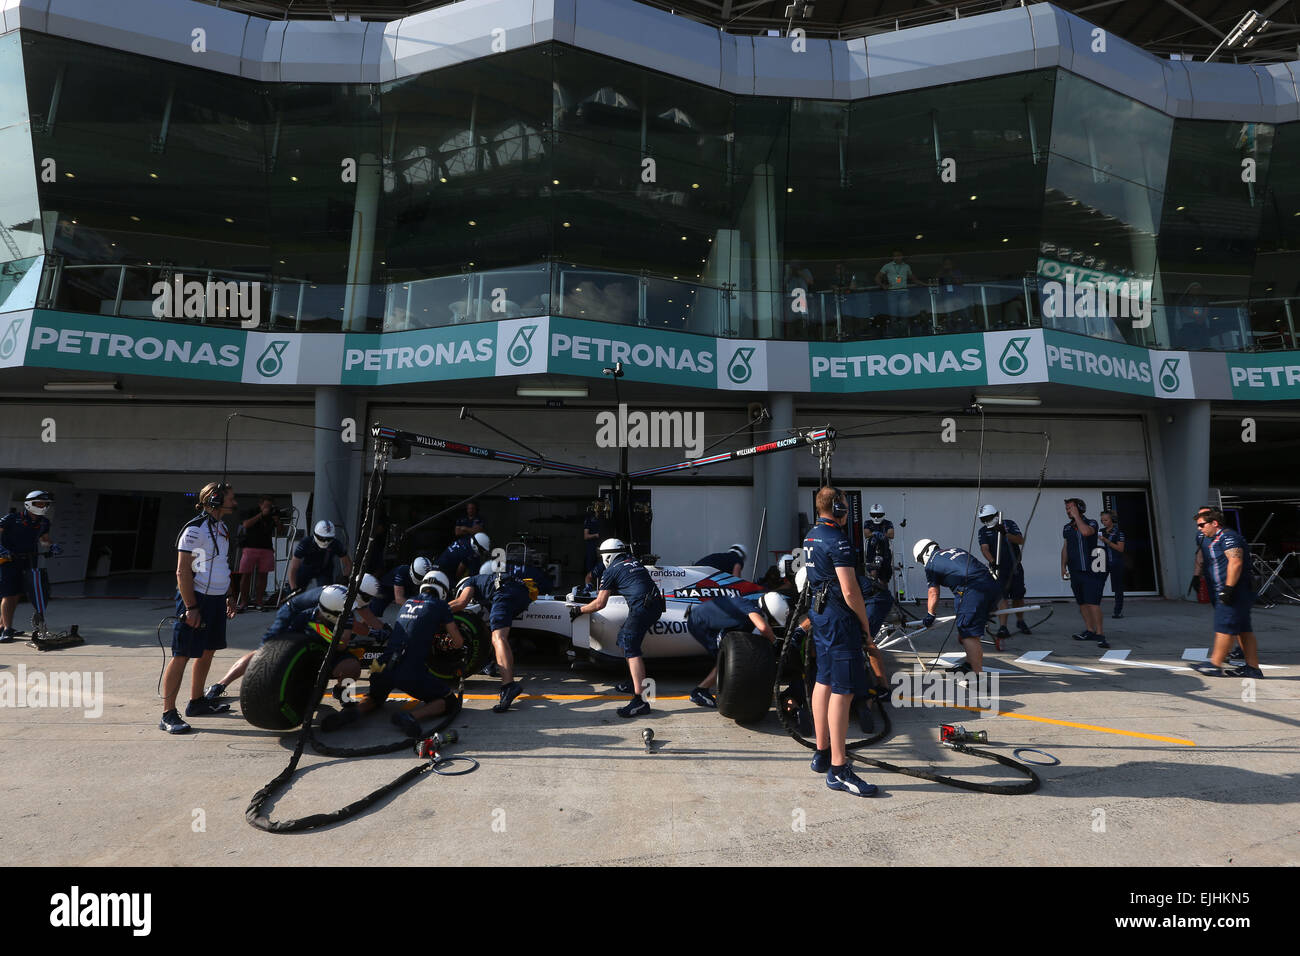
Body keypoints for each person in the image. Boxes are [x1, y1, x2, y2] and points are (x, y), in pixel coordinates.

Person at [323, 572, 465, 738]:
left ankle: (354, 712)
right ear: (442, 590)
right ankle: (411, 717)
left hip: (382, 665)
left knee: (375, 697)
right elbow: (458, 641)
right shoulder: (441, 606)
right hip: (409, 671)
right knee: (449, 702)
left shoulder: (408, 602)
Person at [803, 487, 879, 797]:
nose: (847, 513)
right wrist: (865, 626)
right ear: (837, 509)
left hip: (820, 617)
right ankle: (839, 768)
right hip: (838, 620)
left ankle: (821, 753)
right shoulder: (839, 540)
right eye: (845, 508)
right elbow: (851, 591)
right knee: (843, 692)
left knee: (823, 681)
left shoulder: (811, 535)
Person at [203, 576, 385, 702]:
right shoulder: (334, 601)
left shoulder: (344, 597)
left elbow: (356, 621)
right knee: (265, 653)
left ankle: (342, 692)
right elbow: (350, 624)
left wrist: (377, 630)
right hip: (293, 616)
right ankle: (221, 684)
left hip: (316, 626)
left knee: (347, 661)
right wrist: (371, 632)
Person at [160, 482, 239, 734]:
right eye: (230, 497)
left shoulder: (222, 527)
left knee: (208, 651)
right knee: (182, 654)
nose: (235, 501)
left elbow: (221, 564)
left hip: (216, 599)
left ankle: (196, 702)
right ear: (215, 500)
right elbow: (182, 571)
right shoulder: (195, 530)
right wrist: (191, 606)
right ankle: (168, 713)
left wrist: (228, 594)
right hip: (196, 600)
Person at [571, 538, 666, 718]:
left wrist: (579, 610)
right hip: (654, 605)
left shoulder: (612, 570)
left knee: (630, 645)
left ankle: (641, 701)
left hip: (642, 607)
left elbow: (600, 603)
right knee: (624, 637)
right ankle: (634, 682)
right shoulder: (634, 561)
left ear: (608, 556)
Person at [448, 567, 533, 712]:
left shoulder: (470, 581)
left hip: (504, 592)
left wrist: (437, 610)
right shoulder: (487, 582)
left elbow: (461, 602)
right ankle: (498, 668)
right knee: (499, 636)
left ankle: (508, 685)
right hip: (522, 593)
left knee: (498, 637)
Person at [1191, 510, 1263, 678]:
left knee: (1225, 627)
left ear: (1214, 523)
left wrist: (1228, 589)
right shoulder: (1212, 539)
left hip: (1234, 591)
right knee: (1243, 630)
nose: (1200, 529)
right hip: (1234, 591)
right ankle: (1253, 668)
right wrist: (1197, 575)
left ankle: (1215, 665)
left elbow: (1235, 562)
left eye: (1202, 525)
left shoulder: (1228, 537)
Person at [914, 538, 1002, 676]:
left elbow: (933, 592)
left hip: (973, 590)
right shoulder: (956, 550)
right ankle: (969, 663)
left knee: (968, 634)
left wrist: (930, 615)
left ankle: (978, 678)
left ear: (923, 554)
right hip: (992, 586)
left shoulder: (931, 564)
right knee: (967, 625)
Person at [684, 592, 787, 708]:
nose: (772, 625)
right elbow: (763, 627)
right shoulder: (751, 608)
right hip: (700, 623)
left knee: (732, 655)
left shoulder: (747, 608)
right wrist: (775, 642)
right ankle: (700, 691)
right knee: (728, 658)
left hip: (703, 620)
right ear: (768, 612)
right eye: (773, 621)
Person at [1, 491, 61, 642]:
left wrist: (52, 546)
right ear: (29, 503)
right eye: (39, 503)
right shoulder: (11, 519)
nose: (43, 506)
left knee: (17, 594)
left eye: (45, 504)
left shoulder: (44, 522)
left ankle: (3, 626)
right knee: (8, 594)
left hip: (29, 560)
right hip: (8, 560)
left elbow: (44, 540)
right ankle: (7, 630)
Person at [977, 504, 1031, 641]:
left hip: (1015, 566)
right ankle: (1003, 626)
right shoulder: (983, 531)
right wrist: (993, 562)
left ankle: (1020, 621)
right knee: (1002, 597)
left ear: (995, 515)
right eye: (982, 519)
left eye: (987, 518)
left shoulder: (1009, 524)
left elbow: (1020, 540)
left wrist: (1005, 534)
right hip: (999, 568)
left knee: (1018, 596)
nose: (985, 521)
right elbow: (984, 548)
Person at [1060, 498, 1109, 649]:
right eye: (1067, 509)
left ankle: (1100, 634)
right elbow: (1066, 547)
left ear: (1080, 508)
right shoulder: (1067, 528)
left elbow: (1086, 532)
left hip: (1091, 570)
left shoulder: (1091, 523)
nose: (1068, 511)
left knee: (1092, 602)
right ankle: (1089, 630)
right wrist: (1063, 566)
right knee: (1081, 602)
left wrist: (1077, 517)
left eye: (1071, 508)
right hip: (1075, 570)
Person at [236, 497, 285, 612]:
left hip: (266, 548)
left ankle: (259, 602)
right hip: (250, 547)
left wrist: (277, 520)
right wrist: (261, 515)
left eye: (270, 506)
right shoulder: (252, 511)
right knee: (245, 575)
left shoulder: (273, 513)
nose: (268, 508)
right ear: (260, 504)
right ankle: (244, 602)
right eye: (266, 505)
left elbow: (281, 531)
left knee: (263, 575)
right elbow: (246, 524)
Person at [288, 520, 352, 592]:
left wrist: (345, 577)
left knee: (326, 593)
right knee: (294, 591)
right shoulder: (305, 543)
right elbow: (293, 567)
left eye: (328, 539)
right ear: (316, 535)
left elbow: (347, 563)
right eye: (323, 538)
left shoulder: (336, 544)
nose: (326, 542)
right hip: (306, 568)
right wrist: (293, 588)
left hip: (325, 570)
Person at [875, 250, 915, 334]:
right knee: (893, 314)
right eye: (895, 255)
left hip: (904, 292)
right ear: (892, 257)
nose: (897, 257)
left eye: (899, 255)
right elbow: (877, 278)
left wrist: (925, 284)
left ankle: (903, 333)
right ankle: (896, 334)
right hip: (892, 292)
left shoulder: (906, 266)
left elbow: (913, 279)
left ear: (902, 256)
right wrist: (883, 286)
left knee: (904, 313)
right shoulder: (887, 266)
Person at [1099, 509, 1126, 619]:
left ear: (1112, 520)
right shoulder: (1101, 531)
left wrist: (1107, 541)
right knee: (1097, 585)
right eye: (1102, 520)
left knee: (1118, 588)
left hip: (1116, 562)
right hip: (1102, 562)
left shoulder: (1119, 533)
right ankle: (1092, 608)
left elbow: (1120, 549)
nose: (1103, 522)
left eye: (1106, 520)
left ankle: (1118, 611)